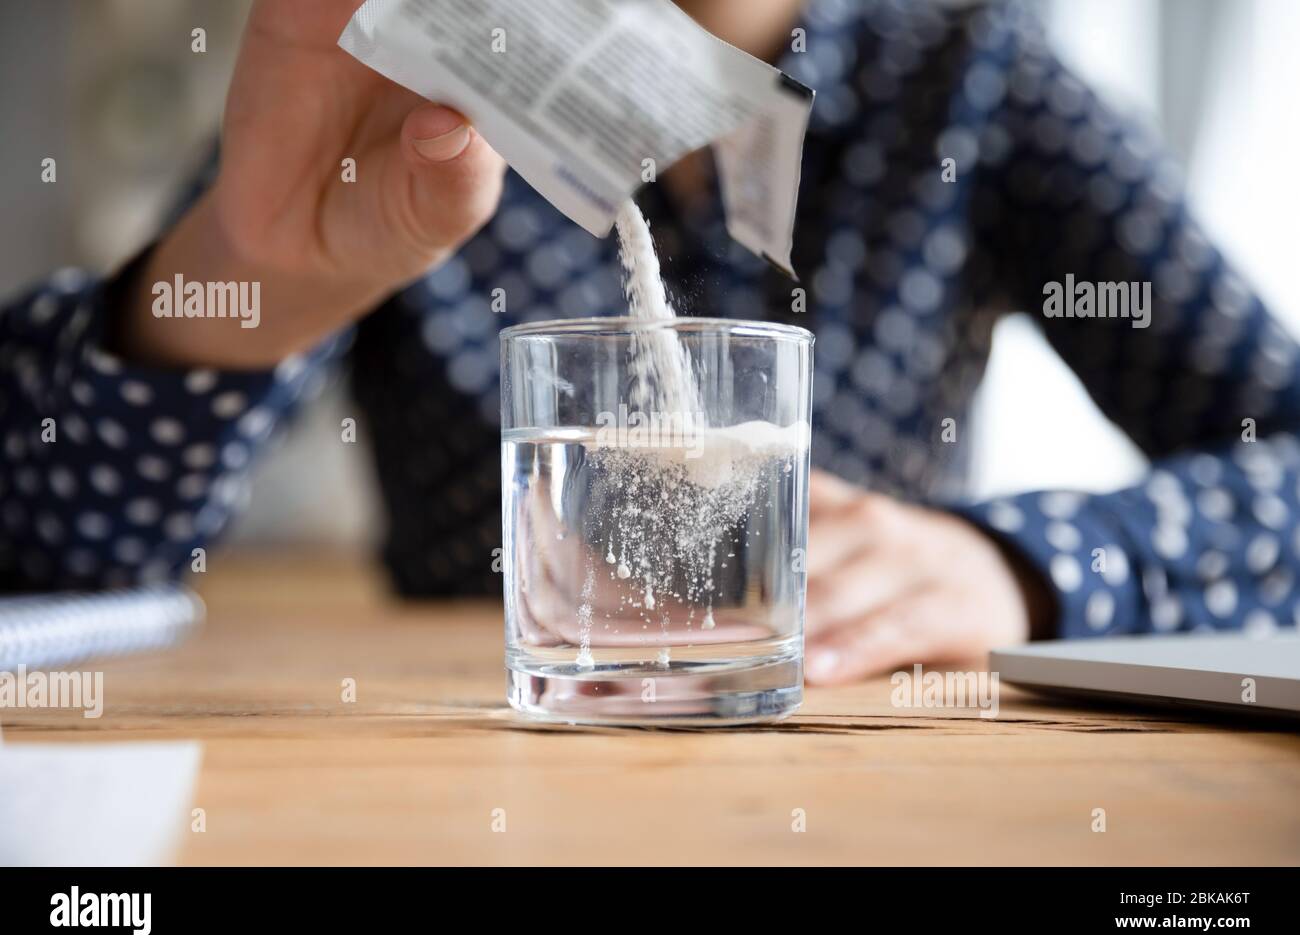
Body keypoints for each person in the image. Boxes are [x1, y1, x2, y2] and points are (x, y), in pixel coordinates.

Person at [2, 0, 1297, 686]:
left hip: (868, 772)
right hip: (473, 783)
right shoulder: (406, 79)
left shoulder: (978, 81)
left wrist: (1026, 569)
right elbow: (42, 555)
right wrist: (244, 284)